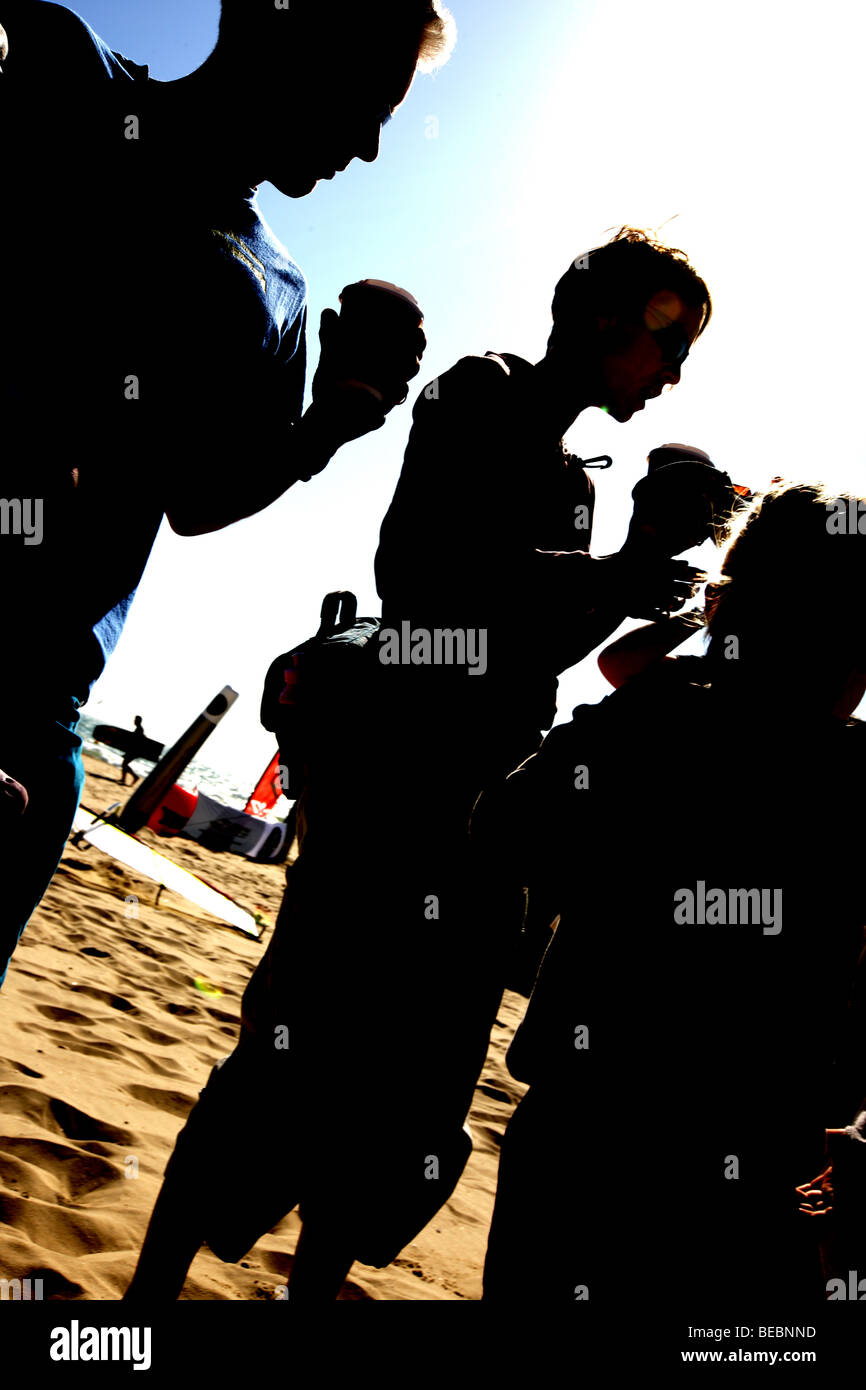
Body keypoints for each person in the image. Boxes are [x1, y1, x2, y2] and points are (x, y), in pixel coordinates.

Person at [124, 228, 715, 1303]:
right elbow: (427, 585)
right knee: (285, 1057)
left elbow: (537, 645)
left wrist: (627, 582)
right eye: (663, 343)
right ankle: (149, 1302)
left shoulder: (576, 483)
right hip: (390, 792)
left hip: (482, 810)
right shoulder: (477, 395)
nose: (670, 375)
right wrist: (605, 573)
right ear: (600, 320)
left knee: (407, 1098)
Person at [0, 0, 454, 988]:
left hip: (35, 714)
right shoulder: (58, 75)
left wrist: (330, 424)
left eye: (390, 113)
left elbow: (197, 498)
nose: (373, 146)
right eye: (360, 95)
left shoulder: (278, 287)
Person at [480, 481, 866, 1310]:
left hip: (579, 1134)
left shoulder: (658, 715)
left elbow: (506, 827)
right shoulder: (854, 782)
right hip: (746, 1173)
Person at [119, 715, 147, 786]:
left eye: (135, 720)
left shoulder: (139, 729)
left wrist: (130, 751)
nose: (134, 721)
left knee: (124, 764)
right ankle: (123, 779)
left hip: (134, 751)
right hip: (133, 751)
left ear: (138, 721)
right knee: (124, 764)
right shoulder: (139, 729)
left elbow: (136, 742)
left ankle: (135, 777)